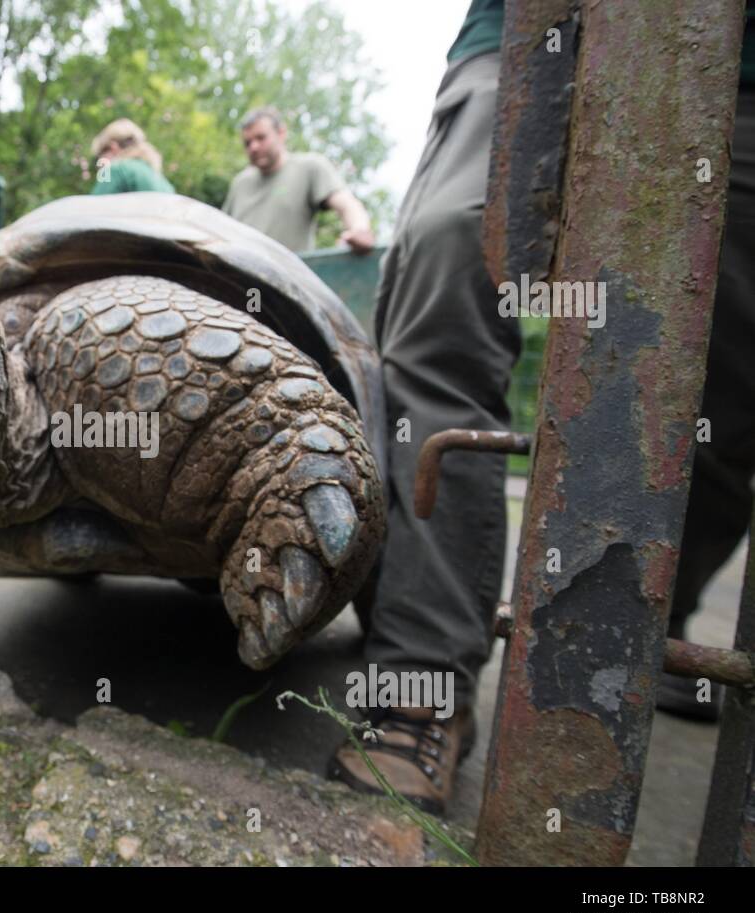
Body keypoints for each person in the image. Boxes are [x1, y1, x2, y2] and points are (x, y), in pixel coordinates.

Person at [328, 0, 755, 816]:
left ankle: (659, 618)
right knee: (447, 270)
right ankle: (420, 679)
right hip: (530, 39)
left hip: (739, 66)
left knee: (720, 365)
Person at [221, 106, 375, 254]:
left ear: (281, 133)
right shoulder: (240, 183)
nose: (253, 147)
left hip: (287, 277)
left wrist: (359, 230)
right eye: (247, 143)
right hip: (238, 278)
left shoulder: (308, 167)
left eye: (261, 138)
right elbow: (221, 231)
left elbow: (347, 204)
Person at [89, 119, 175, 195]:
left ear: (113, 148)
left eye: (99, 156)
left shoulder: (116, 170)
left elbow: (94, 209)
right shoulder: (161, 181)